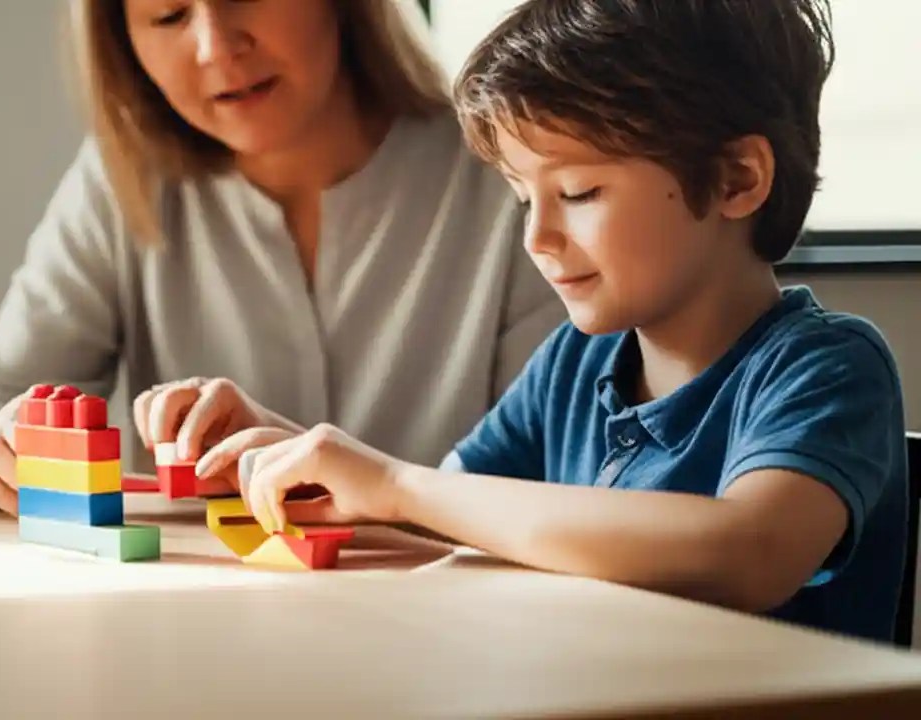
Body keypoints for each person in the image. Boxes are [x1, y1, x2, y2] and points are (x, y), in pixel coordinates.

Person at [196, 0, 909, 644]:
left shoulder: (827, 369)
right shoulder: (575, 361)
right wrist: (301, 458)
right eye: (521, 199)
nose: (536, 237)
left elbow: (747, 554)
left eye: (579, 191)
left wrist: (395, 484)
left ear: (736, 180)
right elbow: (442, 511)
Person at [0, 0, 564, 514]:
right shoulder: (122, 181)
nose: (214, 47)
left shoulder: (506, 174)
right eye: (169, 16)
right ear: (125, 46)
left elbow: (553, 469)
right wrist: (0, 442)